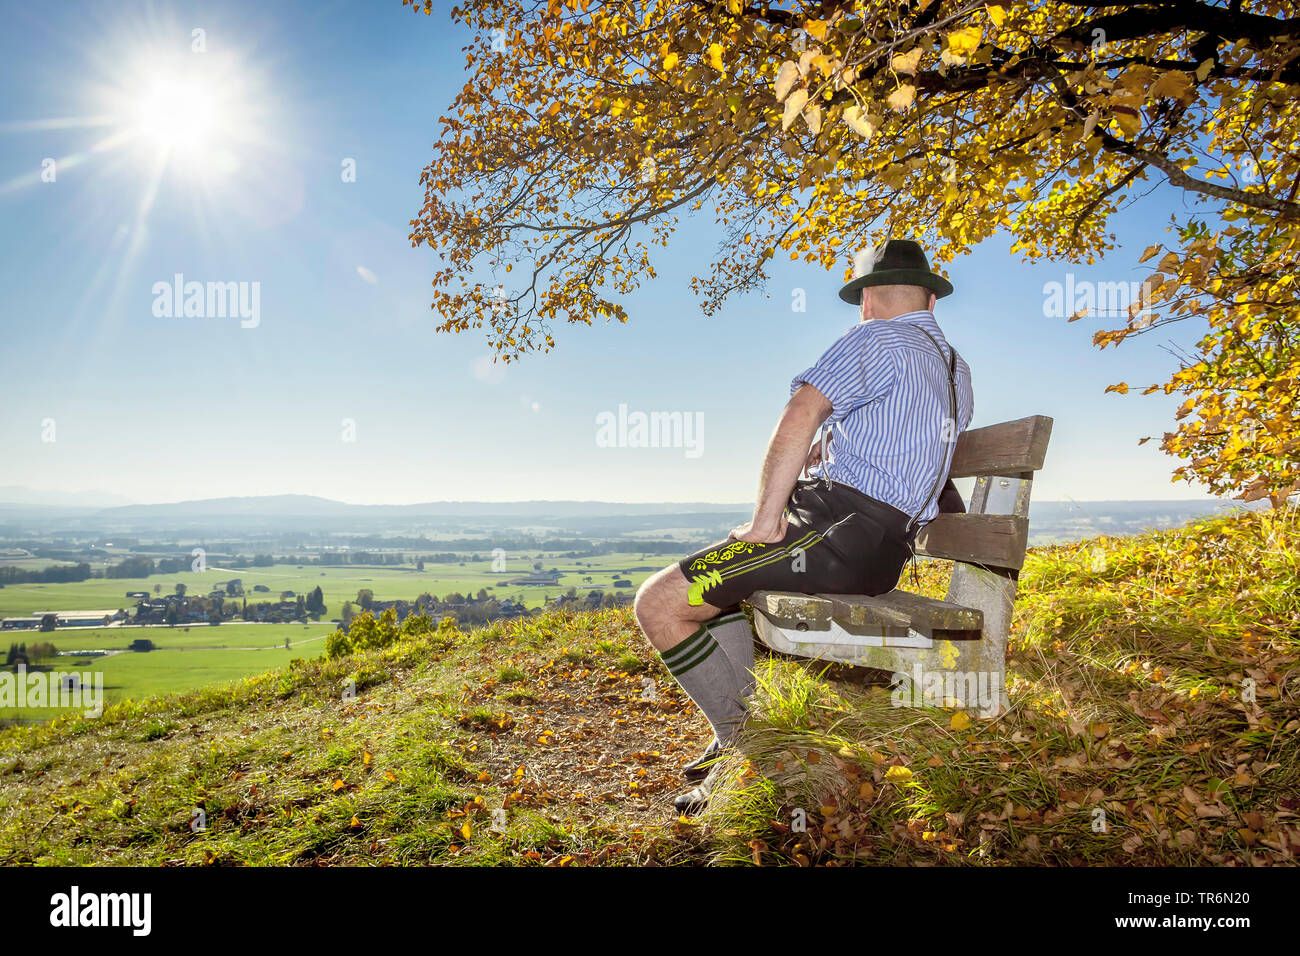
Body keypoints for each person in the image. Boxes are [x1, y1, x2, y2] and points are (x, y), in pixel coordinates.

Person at [633, 238, 975, 815]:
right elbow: (909, 448)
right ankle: (737, 734)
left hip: (841, 531)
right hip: (875, 542)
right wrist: (835, 451)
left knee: (660, 603)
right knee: (727, 593)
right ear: (930, 300)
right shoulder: (952, 366)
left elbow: (801, 411)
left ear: (866, 297)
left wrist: (767, 522)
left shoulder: (875, 337)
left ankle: (751, 752)